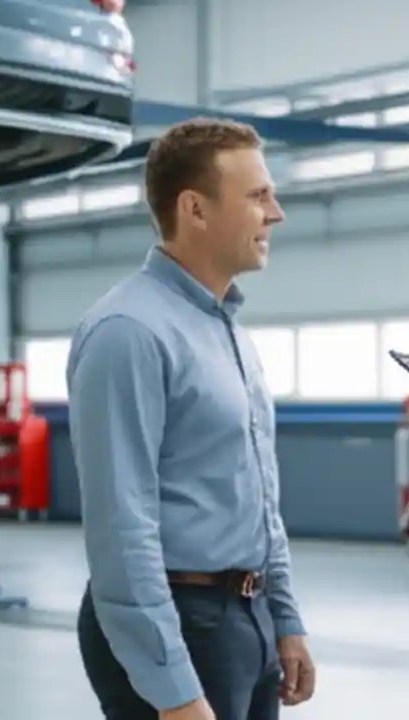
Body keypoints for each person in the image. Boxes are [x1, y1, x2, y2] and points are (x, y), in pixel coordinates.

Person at [67, 118, 316, 720]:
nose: (275, 213)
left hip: (244, 619)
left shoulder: (228, 331)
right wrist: (172, 687)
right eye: (258, 196)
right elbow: (121, 528)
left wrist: (283, 616)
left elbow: (259, 495)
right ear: (195, 209)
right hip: (179, 621)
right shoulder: (128, 333)